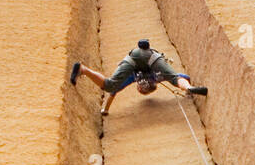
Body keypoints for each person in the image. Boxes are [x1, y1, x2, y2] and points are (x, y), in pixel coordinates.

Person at [70, 39, 206, 114]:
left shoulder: (155, 78)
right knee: (175, 79)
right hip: (152, 57)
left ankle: (83, 69)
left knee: (110, 83)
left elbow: (112, 92)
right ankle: (84, 70)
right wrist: (104, 110)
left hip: (134, 57)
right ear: (143, 87)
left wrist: (105, 110)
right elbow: (183, 77)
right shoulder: (153, 77)